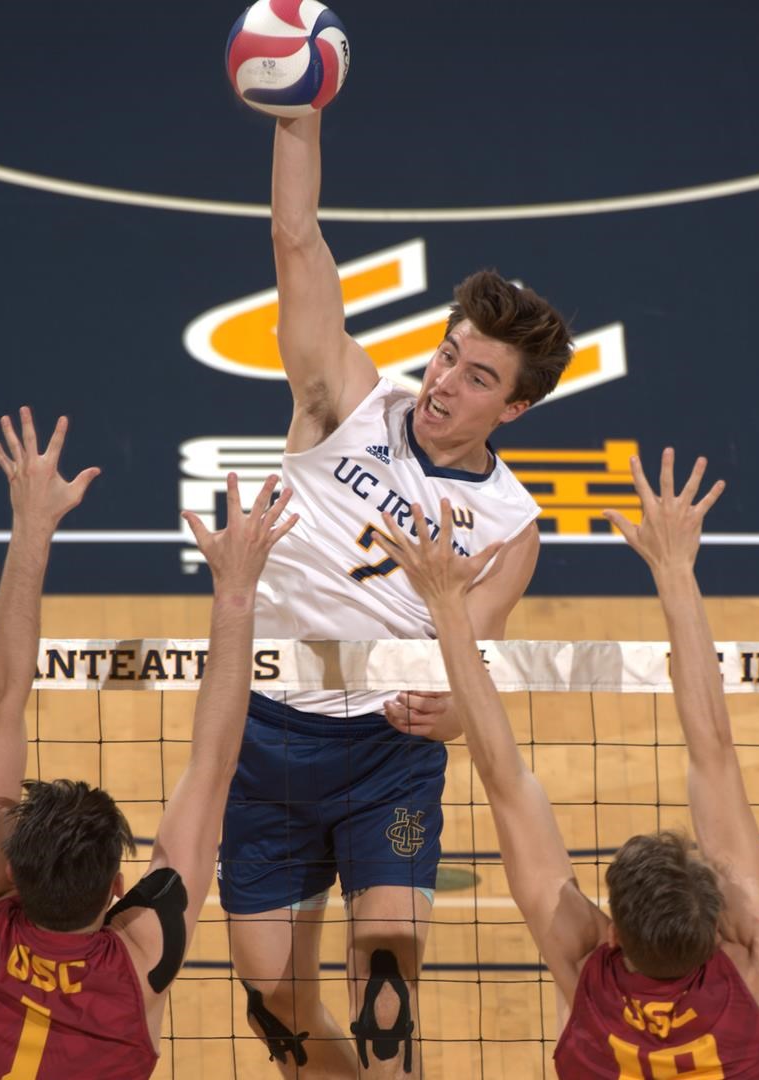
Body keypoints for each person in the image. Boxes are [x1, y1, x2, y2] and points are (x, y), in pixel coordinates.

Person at [226, 109, 575, 1078]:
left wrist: (457, 712)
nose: (445, 383)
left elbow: (478, 675)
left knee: (386, 1004)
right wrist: (300, 122)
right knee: (276, 1012)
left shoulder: (510, 525)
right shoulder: (342, 399)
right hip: (262, 740)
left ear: (515, 407)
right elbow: (296, 241)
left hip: (387, 760)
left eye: (477, 377)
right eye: (447, 356)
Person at [372, 449, 759, 1079]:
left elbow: (505, 778)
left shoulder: (586, 974)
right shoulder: (747, 961)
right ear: (713, 932)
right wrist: (676, 568)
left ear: (614, 936)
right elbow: (716, 749)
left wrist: (446, 606)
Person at [0, 408, 296, 1078]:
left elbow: (0, 704)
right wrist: (236, 591)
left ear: (11, 876)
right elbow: (214, 766)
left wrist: (30, 527)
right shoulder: (140, 962)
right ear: (117, 888)